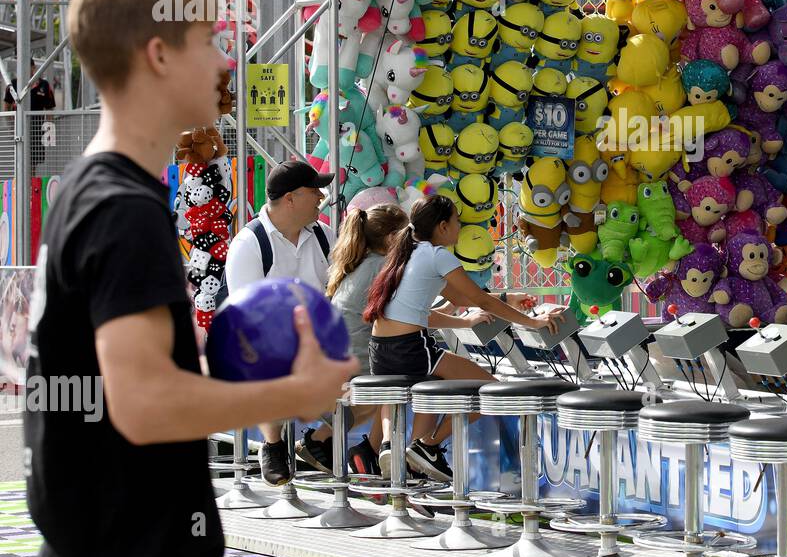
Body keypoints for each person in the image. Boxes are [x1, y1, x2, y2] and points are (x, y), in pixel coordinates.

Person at [24, 0, 355, 557]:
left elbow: (115, 370)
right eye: (207, 42)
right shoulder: (122, 208)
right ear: (158, 56)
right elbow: (144, 405)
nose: (225, 64)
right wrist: (294, 391)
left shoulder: (96, 189)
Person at [363, 194, 565, 480]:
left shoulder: (407, 252)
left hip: (381, 350)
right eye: (458, 221)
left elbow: (457, 297)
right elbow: (479, 300)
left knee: (434, 391)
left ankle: (411, 460)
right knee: (489, 390)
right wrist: (534, 323)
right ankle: (428, 446)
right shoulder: (437, 255)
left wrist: (509, 298)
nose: (460, 227)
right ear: (443, 227)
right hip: (410, 349)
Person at [224, 160, 336, 487]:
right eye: (314, 190)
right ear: (290, 198)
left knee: (378, 373)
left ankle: (318, 441)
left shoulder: (325, 236)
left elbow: (340, 293)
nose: (321, 196)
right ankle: (273, 445)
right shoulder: (249, 243)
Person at [320, 202, 409, 476]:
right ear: (393, 238)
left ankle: (324, 442)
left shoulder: (359, 263)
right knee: (401, 380)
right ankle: (382, 450)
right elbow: (404, 315)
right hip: (353, 369)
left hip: (331, 364)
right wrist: (461, 317)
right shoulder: (383, 267)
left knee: (389, 380)